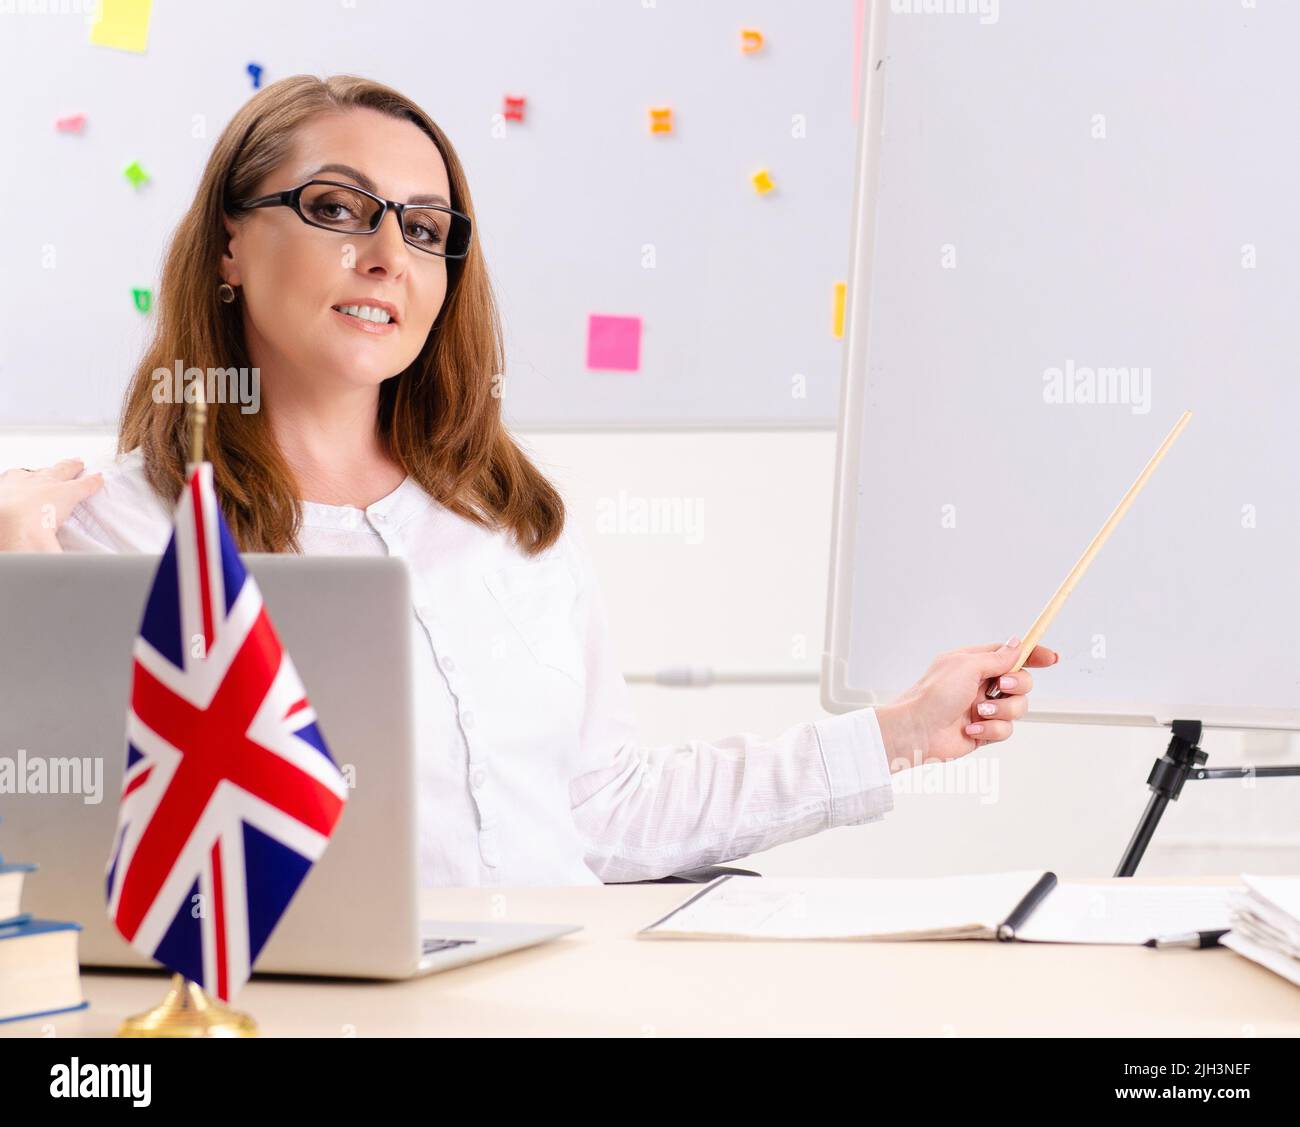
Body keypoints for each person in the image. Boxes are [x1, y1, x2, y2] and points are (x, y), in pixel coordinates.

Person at [0, 75, 1056, 886]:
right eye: (337, 207)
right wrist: (18, 598)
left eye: (423, 227)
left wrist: (904, 728)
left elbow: (600, 811)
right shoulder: (114, 534)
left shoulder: (504, 524)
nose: (387, 255)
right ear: (229, 244)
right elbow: (75, 862)